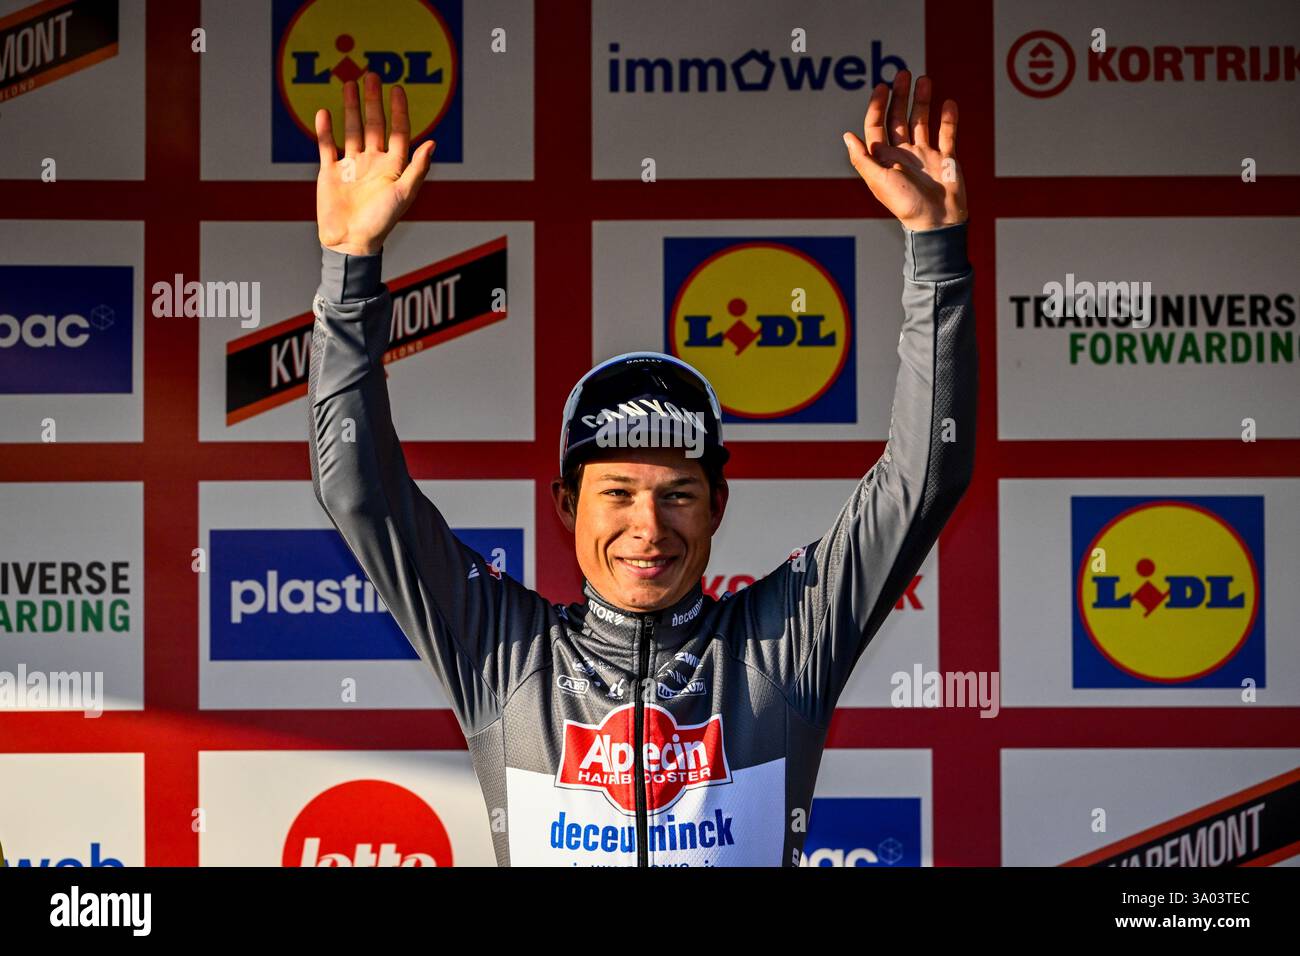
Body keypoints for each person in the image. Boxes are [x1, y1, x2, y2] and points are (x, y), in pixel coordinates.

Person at [308, 69, 975, 867]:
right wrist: (351, 268)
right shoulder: (506, 656)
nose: (647, 528)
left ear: (719, 505)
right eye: (617, 493)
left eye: (678, 495)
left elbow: (925, 475)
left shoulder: (780, 648)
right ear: (566, 505)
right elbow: (359, 491)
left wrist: (935, 254)